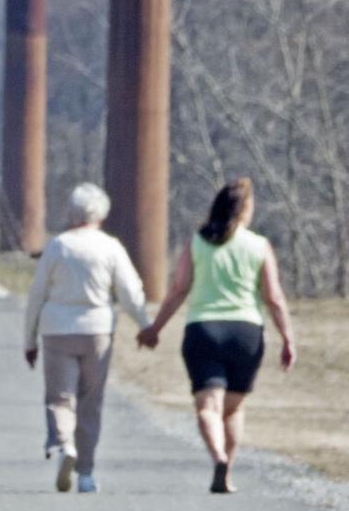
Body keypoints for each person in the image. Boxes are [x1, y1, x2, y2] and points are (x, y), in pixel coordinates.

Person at [136, 177, 297, 493]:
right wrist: (288, 338)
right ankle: (228, 471)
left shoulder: (198, 242)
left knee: (208, 407)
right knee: (233, 408)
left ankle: (218, 456)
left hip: (203, 331)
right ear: (245, 209)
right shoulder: (259, 245)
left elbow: (178, 289)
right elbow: (274, 297)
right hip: (246, 333)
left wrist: (155, 329)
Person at [23, 183, 152, 493]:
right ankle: (86, 474)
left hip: (57, 329)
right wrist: (145, 325)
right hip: (98, 330)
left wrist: (29, 340)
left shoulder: (58, 246)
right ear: (101, 215)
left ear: (72, 212)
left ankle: (65, 444)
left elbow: (36, 295)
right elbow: (129, 291)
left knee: (60, 399)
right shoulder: (110, 247)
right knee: (90, 402)